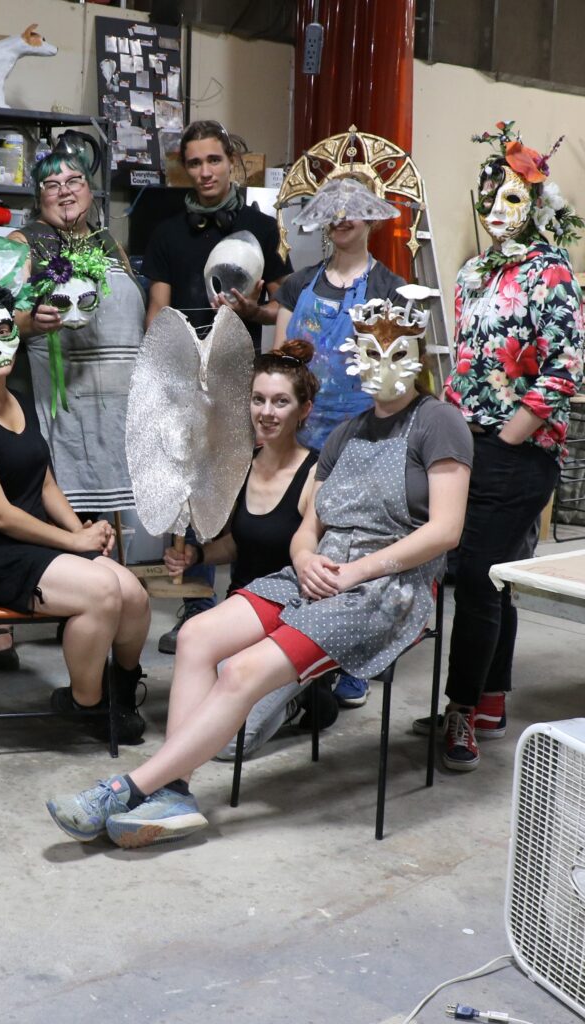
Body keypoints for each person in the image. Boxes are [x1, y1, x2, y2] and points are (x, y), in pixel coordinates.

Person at [47, 296, 473, 849]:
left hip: (386, 587)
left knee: (241, 673)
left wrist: (355, 573)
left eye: (393, 353)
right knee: (196, 635)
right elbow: (307, 529)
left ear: (416, 356)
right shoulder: (348, 432)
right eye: (370, 352)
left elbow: (445, 531)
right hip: (317, 573)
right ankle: (174, 791)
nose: (380, 365)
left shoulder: (438, 423)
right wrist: (305, 558)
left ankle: (128, 788)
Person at [0, 257, 151, 744]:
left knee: (132, 593)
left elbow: (44, 483)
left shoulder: (19, 399)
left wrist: (79, 531)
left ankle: (121, 693)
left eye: (4, 328)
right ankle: (86, 704)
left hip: (31, 544)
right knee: (102, 592)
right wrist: (74, 543)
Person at [420, 121, 585, 771]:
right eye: (487, 196)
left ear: (535, 203)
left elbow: (565, 367)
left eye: (510, 197)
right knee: (495, 576)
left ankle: (461, 707)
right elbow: (468, 361)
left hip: (518, 451)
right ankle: (488, 702)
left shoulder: (552, 272)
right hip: (466, 444)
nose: (495, 209)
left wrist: (513, 432)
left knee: (478, 577)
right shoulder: (472, 274)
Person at [0, 148, 145, 671]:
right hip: (33, 388)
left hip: (102, 395)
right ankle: (0, 624)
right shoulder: (21, 242)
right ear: (39, 197)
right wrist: (31, 322)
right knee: (27, 492)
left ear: (91, 191)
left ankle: (88, 594)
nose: (65, 191)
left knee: (94, 496)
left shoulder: (108, 244)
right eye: (52, 185)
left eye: (75, 181)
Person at [142, 120, 292, 653]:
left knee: (241, 485)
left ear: (231, 162)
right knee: (190, 485)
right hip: (185, 377)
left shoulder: (261, 227)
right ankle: (195, 606)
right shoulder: (166, 231)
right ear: (184, 168)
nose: (205, 171)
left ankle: (249, 600)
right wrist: (159, 371)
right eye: (195, 162)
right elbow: (157, 310)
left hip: (242, 376)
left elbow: (282, 307)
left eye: (214, 160)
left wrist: (253, 309)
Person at [161, 340, 334, 762]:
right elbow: (241, 542)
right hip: (240, 615)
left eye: (280, 402)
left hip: (290, 622)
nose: (266, 412)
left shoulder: (317, 474)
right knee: (193, 717)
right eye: (258, 400)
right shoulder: (242, 465)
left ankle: (301, 696)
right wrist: (198, 556)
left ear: (304, 409)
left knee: (222, 743)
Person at [272, 175, 408, 709]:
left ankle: (355, 659)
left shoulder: (391, 288)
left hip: (362, 435)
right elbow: (280, 364)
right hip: (301, 433)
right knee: (299, 539)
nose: (343, 218)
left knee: (354, 545)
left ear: (372, 216)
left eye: (354, 209)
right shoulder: (297, 285)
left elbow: (395, 377)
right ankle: (294, 647)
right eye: (334, 209)